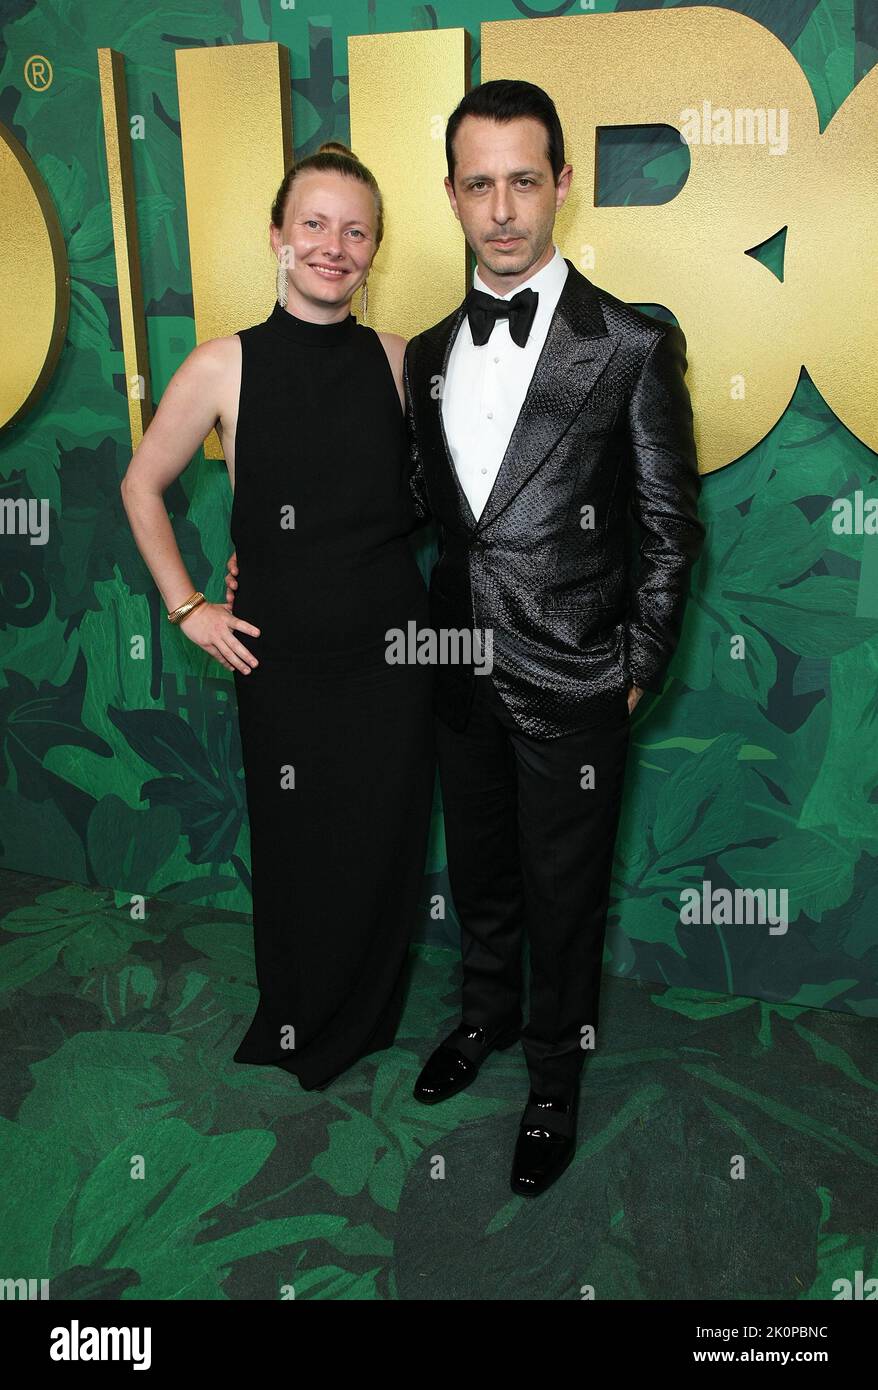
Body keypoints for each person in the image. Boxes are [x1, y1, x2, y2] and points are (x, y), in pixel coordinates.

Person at [404, 80, 705, 1196]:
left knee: (564, 897)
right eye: (477, 184)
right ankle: (482, 1017)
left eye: (522, 180)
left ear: (561, 184)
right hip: (455, 671)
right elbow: (423, 510)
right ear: (449, 194)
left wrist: (633, 670)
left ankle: (551, 1078)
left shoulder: (626, 343)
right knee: (481, 872)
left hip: (577, 678)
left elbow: (669, 529)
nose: (501, 209)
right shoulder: (430, 350)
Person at [121, 142, 434, 1091]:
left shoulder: (398, 362)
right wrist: (188, 607)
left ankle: (367, 1016)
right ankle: (301, 1018)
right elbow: (141, 483)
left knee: (384, 842)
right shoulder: (224, 364)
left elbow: (436, 500)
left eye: (355, 230)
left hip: (393, 653)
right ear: (277, 235)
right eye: (314, 224)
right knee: (300, 845)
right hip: (282, 659)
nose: (333, 245)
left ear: (373, 248)